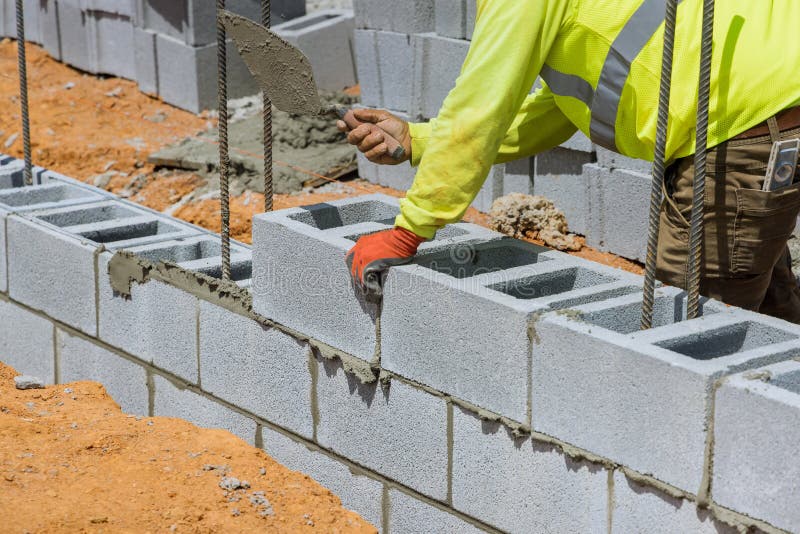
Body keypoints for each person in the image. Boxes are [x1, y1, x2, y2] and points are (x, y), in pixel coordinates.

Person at [339, 0, 800, 323]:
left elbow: (480, 109)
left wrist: (409, 231)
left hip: (744, 127)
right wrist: (420, 139)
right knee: (767, 313)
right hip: (767, 104)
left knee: (688, 332)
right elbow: (561, 107)